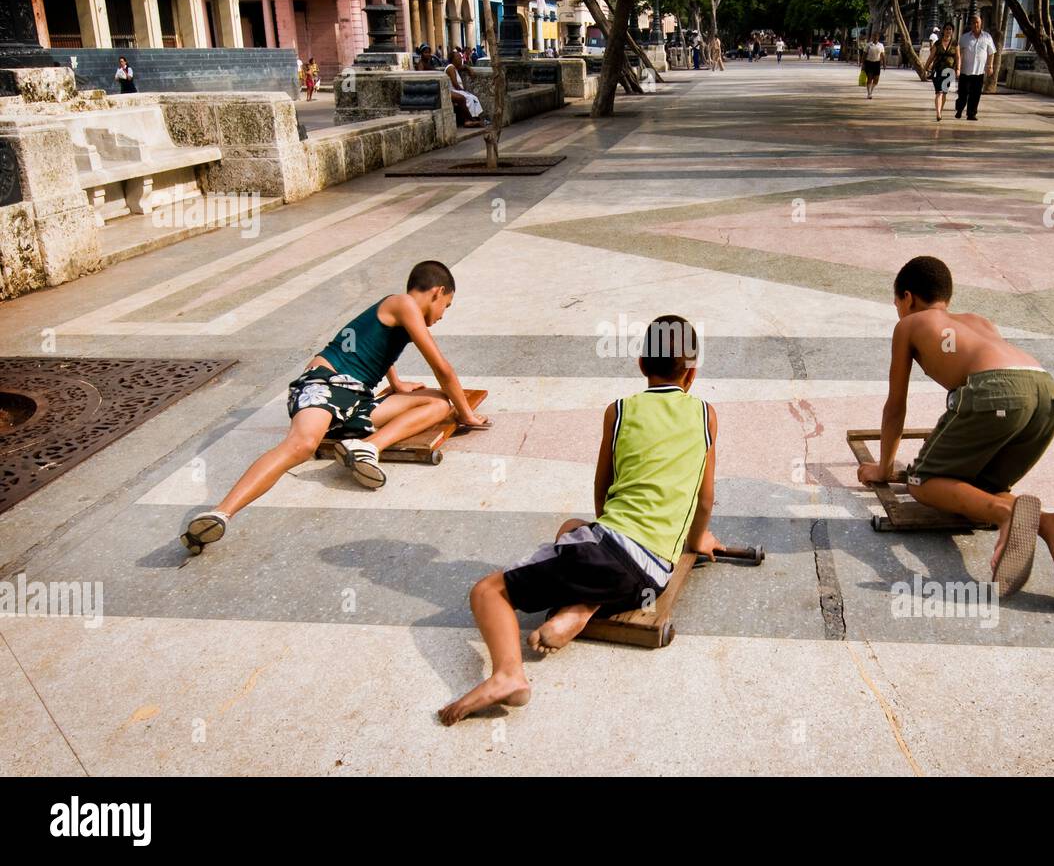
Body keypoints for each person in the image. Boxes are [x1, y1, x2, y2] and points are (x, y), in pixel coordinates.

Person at [438, 315, 723, 725]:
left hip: (610, 548)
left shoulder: (619, 411)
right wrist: (698, 540)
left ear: (641, 363)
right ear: (692, 371)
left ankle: (508, 675)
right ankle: (582, 606)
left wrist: (602, 531)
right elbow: (705, 497)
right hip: (654, 574)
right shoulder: (706, 415)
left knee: (487, 592)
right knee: (574, 531)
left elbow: (603, 486)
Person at [180, 261, 491, 554]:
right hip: (325, 385)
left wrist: (396, 385)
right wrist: (466, 415)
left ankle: (366, 448)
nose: (442, 315)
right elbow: (443, 368)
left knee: (437, 403)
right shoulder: (403, 303)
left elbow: (379, 345)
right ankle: (221, 513)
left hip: (356, 400)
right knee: (301, 445)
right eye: (445, 306)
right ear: (437, 292)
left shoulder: (400, 312)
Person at [859, 256, 1054, 612]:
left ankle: (1005, 516)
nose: (898, 311)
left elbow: (896, 406)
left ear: (907, 298)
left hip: (995, 391)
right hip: (1046, 395)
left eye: (896, 304)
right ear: (947, 298)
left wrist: (883, 468)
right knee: (974, 491)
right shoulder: (980, 322)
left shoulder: (910, 324)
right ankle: (1053, 524)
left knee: (922, 482)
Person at [954, 15, 996, 120]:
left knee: (975, 94)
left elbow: (991, 53)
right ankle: (959, 109)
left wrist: (990, 66)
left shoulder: (987, 37)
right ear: (971, 24)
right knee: (962, 94)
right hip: (965, 71)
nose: (975, 25)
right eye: (973, 23)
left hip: (979, 71)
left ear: (981, 23)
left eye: (977, 22)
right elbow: (959, 53)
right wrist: (957, 67)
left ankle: (971, 114)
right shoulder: (964, 38)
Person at [924, 22, 959, 122]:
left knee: (944, 93)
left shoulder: (955, 43)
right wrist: (925, 68)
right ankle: (938, 113)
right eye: (947, 29)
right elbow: (931, 56)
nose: (948, 31)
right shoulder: (938, 43)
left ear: (952, 31)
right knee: (939, 92)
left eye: (950, 29)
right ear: (943, 30)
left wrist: (958, 69)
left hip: (949, 71)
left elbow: (958, 57)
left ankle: (940, 110)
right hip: (938, 70)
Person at [446, 49, 486, 127]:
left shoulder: (455, 67)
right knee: (469, 98)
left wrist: (469, 69)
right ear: (453, 60)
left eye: (460, 57)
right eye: (458, 57)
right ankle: (469, 120)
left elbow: (464, 66)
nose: (460, 59)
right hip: (453, 90)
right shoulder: (450, 68)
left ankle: (475, 118)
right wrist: (463, 90)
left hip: (457, 90)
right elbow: (455, 84)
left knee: (474, 98)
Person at [860, 33, 885, 100]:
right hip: (869, 63)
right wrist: (862, 64)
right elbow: (864, 55)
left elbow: (882, 55)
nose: (875, 37)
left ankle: (871, 90)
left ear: (878, 37)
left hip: (877, 63)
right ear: (872, 37)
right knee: (869, 78)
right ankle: (869, 93)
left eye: (876, 36)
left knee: (876, 80)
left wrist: (884, 63)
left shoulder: (881, 45)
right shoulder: (868, 45)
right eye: (874, 36)